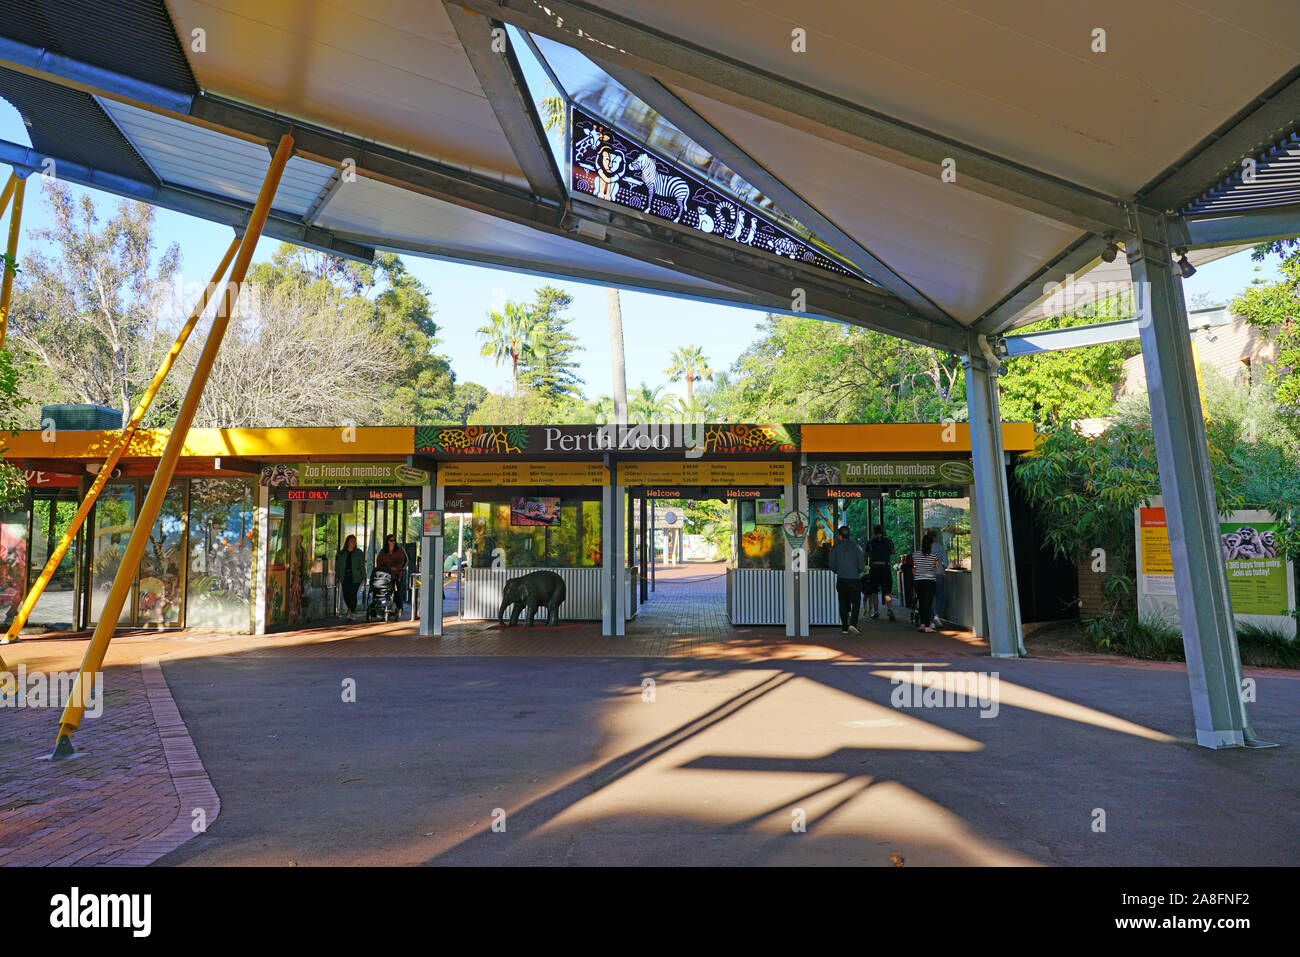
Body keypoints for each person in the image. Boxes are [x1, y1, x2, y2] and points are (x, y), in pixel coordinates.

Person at [827, 525, 865, 635]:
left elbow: (832, 564)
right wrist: (857, 571)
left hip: (842, 579)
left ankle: (844, 627)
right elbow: (862, 564)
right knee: (856, 603)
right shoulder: (856, 547)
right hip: (854, 579)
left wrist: (838, 571)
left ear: (839, 536)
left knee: (843, 603)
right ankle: (853, 624)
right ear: (849, 535)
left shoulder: (835, 547)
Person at [863, 525, 896, 621]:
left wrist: (874, 554)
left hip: (875, 567)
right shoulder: (889, 541)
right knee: (887, 591)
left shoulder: (870, 542)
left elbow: (866, 554)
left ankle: (876, 612)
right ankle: (889, 609)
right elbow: (893, 551)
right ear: (883, 531)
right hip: (885, 567)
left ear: (874, 532)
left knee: (874, 591)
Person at [911, 531, 942, 634]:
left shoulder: (915, 554)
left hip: (918, 581)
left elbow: (914, 568)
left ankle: (922, 624)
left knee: (921, 602)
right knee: (928, 604)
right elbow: (937, 567)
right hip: (930, 581)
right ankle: (927, 626)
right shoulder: (934, 555)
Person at [376, 534, 409, 613]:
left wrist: (397, 568)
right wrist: (383, 569)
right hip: (385, 576)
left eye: (394, 540)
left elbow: (402, 561)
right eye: (391, 540)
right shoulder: (383, 551)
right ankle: (384, 606)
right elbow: (379, 562)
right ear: (387, 542)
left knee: (397, 592)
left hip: (397, 575)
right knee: (384, 591)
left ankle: (399, 608)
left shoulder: (399, 550)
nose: (393, 542)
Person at [335, 534, 364, 621]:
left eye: (354, 541)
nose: (353, 543)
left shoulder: (359, 553)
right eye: (352, 541)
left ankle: (351, 612)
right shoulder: (342, 553)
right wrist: (337, 576)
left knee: (353, 595)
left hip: (356, 577)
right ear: (347, 542)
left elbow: (362, 566)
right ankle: (350, 610)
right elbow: (338, 566)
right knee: (346, 595)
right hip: (345, 576)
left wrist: (364, 577)